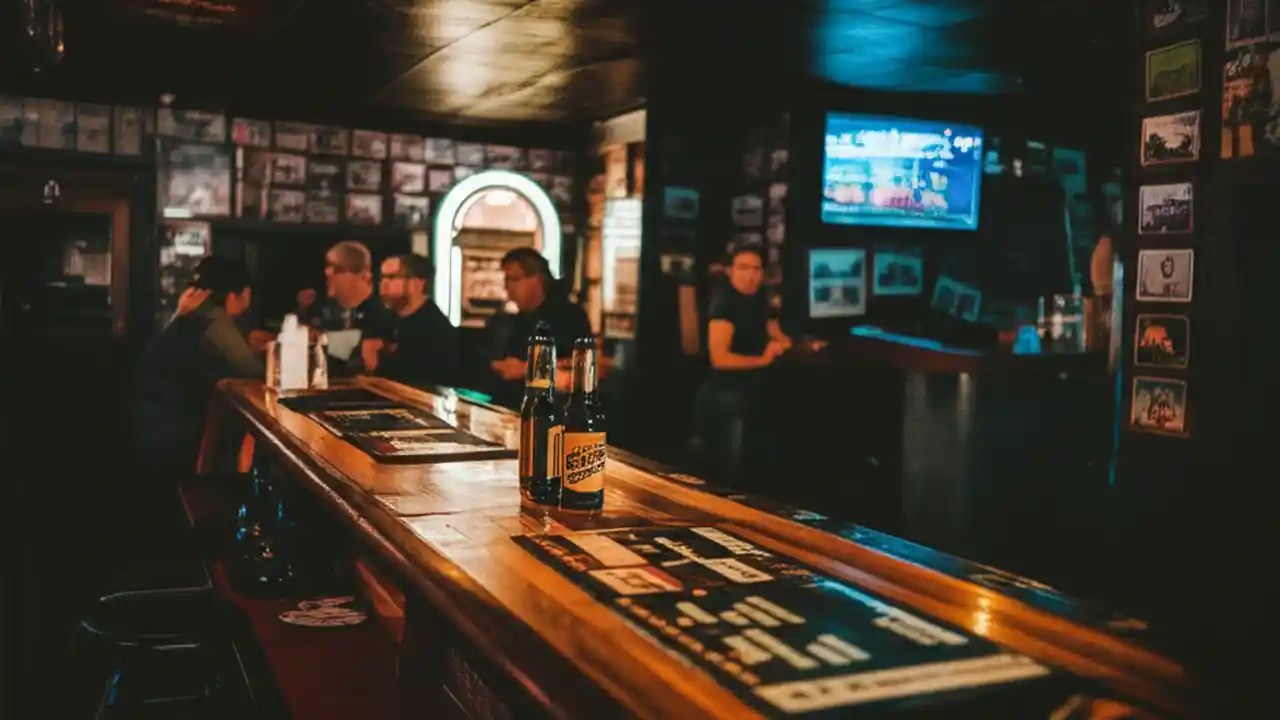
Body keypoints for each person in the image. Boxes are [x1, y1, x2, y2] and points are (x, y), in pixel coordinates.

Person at [132, 256, 264, 480]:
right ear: (235, 294)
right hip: (180, 436)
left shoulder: (191, 313)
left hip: (152, 424)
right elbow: (254, 371)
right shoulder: (214, 319)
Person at [694, 244, 792, 487]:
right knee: (727, 477)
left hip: (753, 394)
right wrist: (764, 359)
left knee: (759, 473)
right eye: (743, 268)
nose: (750, 275)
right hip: (725, 396)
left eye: (756, 269)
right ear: (730, 271)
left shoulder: (759, 300)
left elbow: (774, 332)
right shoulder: (724, 305)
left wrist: (789, 342)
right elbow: (720, 358)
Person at [485, 247, 591, 407]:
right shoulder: (519, 317)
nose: (507, 287)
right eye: (505, 279)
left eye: (513, 279)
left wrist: (522, 369)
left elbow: (575, 371)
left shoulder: (568, 316)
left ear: (537, 280)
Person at [306, 240, 395, 374]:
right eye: (327, 266)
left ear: (363, 275)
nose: (328, 272)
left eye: (337, 268)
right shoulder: (332, 313)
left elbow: (369, 366)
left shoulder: (380, 315)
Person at [374, 253, 459, 387]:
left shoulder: (434, 329)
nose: (384, 284)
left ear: (418, 283)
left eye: (391, 277)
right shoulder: (390, 321)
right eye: (382, 277)